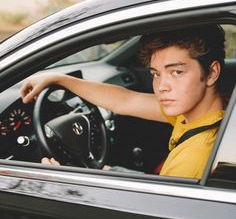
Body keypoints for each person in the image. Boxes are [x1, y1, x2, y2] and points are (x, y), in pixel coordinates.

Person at [20, 24, 225, 179]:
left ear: (212, 73)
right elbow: (126, 100)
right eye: (156, 74)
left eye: (177, 72)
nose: (162, 86)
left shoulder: (195, 158)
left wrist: (64, 182)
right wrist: (59, 79)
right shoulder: (201, 116)